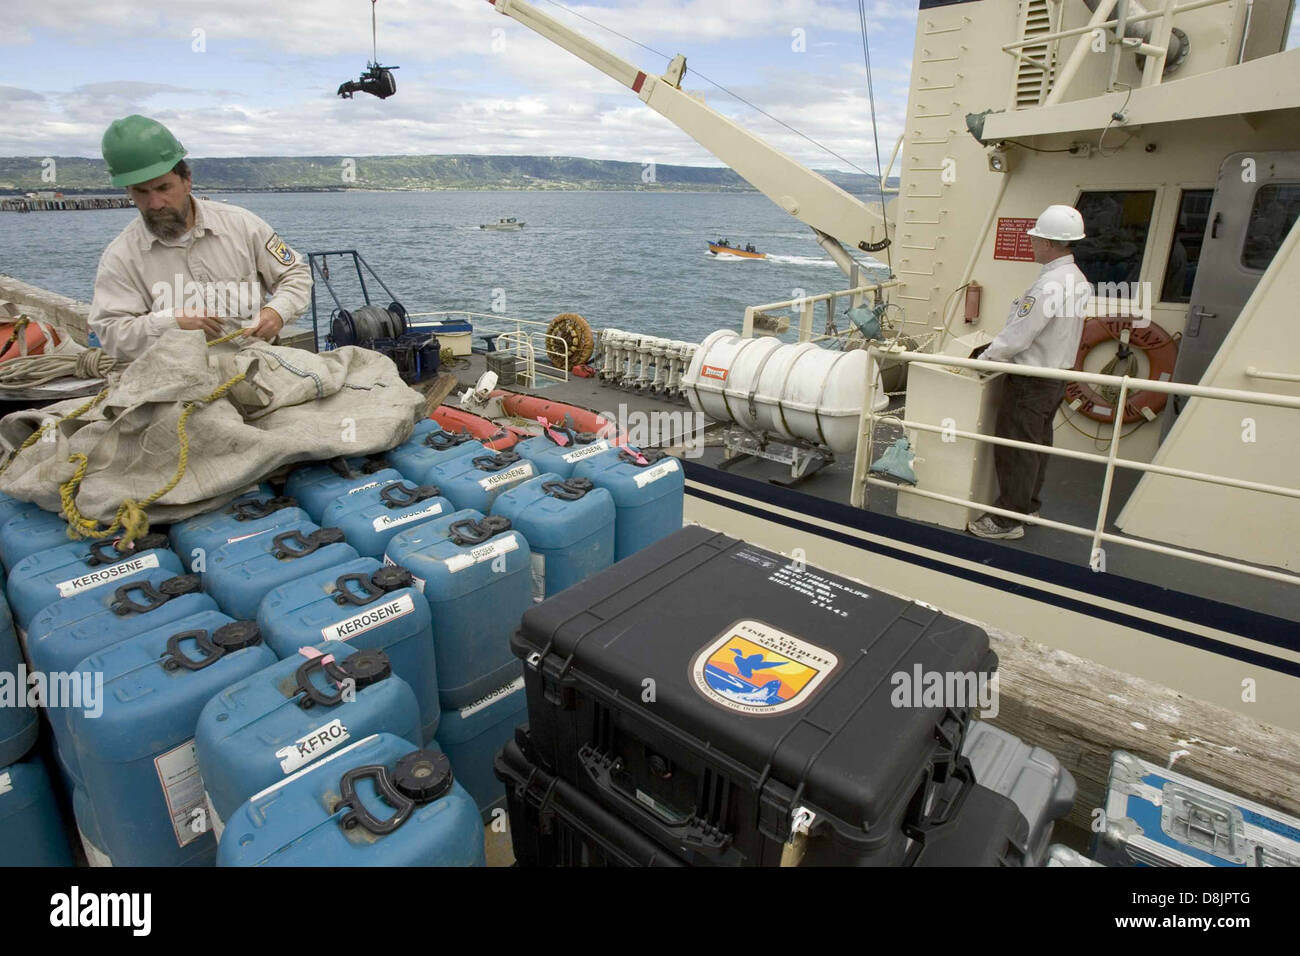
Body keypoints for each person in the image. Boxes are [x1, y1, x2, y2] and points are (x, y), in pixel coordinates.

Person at [89, 115, 311, 361]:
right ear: (128, 191)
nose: (155, 203)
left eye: (164, 188)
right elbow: (111, 334)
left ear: (187, 181)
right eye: (141, 192)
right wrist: (171, 322)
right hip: (175, 378)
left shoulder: (242, 225)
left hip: (260, 364)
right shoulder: (121, 256)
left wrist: (277, 311)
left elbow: (296, 275)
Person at [967, 204, 1091, 540]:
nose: (1032, 244)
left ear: (1049, 243)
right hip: (1056, 377)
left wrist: (983, 361)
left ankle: (1008, 519)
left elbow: (1019, 335)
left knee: (1016, 446)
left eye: (1035, 239)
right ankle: (1029, 505)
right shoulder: (1078, 280)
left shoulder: (1049, 285)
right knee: (1037, 444)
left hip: (1031, 380)